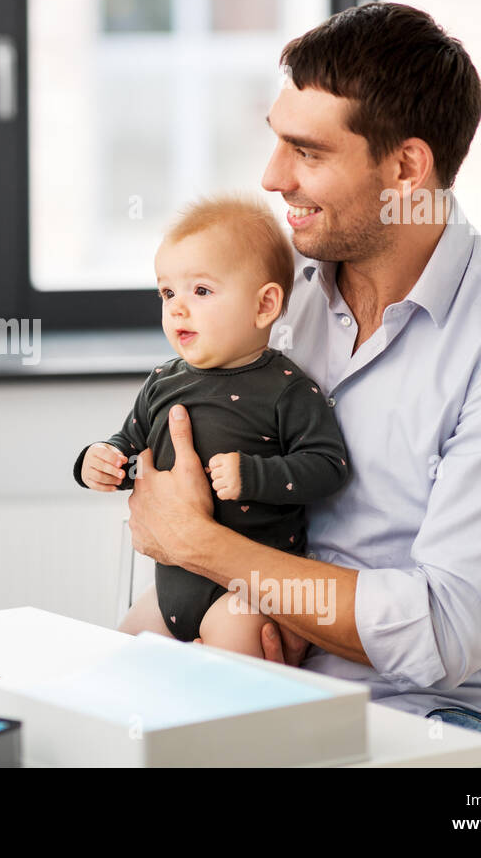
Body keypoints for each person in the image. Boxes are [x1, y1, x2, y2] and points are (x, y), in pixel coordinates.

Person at [125, 4, 481, 768]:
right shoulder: (276, 296)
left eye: (306, 151)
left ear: (407, 168)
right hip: (239, 671)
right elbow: (167, 480)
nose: (273, 177)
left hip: (426, 722)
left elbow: (441, 629)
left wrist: (208, 551)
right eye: (276, 139)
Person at [75, 197, 349, 653]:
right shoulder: (163, 381)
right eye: (167, 293)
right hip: (170, 591)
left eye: (200, 291)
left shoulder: (287, 389)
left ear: (264, 306)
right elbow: (131, 445)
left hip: (244, 592)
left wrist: (253, 476)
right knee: (117, 656)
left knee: (230, 683)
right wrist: (100, 461)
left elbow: (327, 466)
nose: (178, 308)